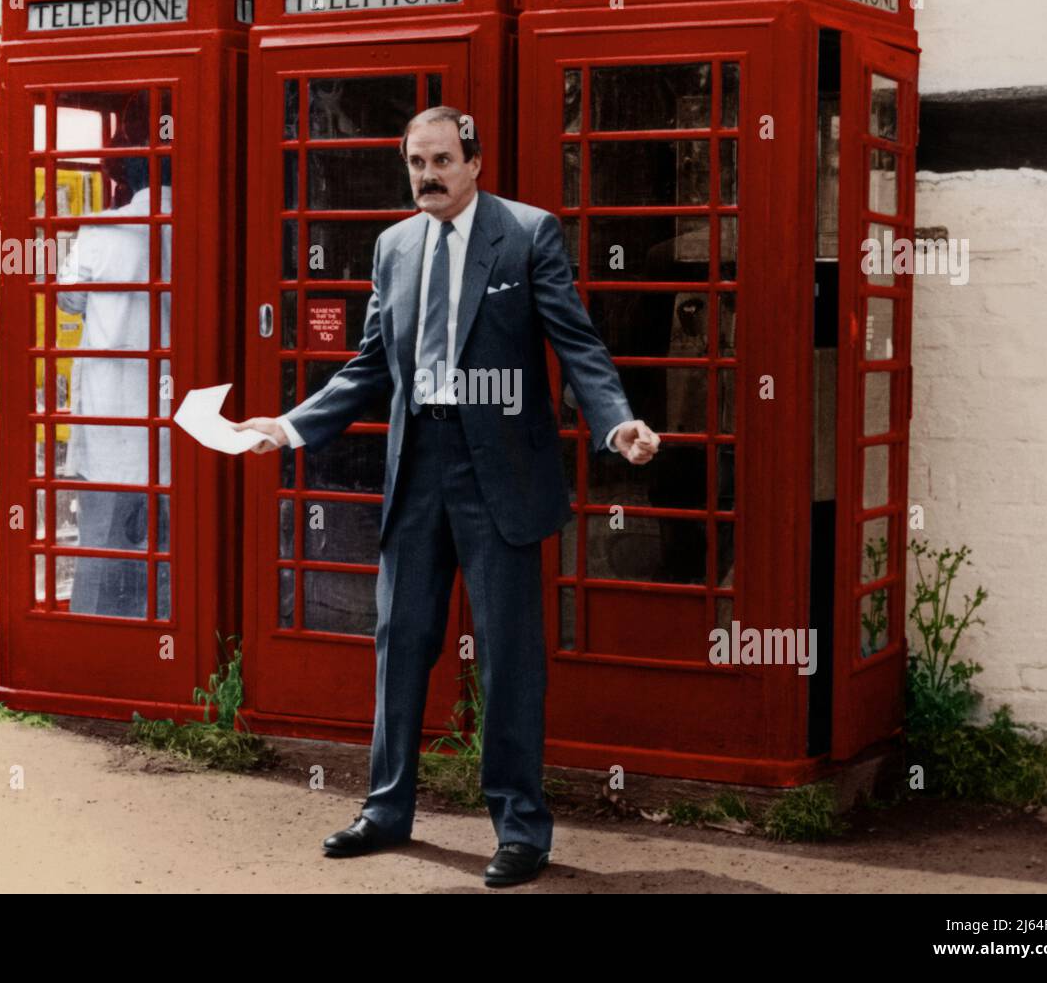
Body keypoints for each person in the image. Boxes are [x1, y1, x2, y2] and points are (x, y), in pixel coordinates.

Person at [236, 107, 660, 887]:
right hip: (417, 463)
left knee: (507, 656)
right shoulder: (395, 246)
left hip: (498, 471)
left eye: (440, 159)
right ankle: (387, 806)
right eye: (415, 162)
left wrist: (616, 422)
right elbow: (368, 366)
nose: (426, 174)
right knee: (399, 640)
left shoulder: (526, 234)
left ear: (474, 162)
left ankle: (521, 827)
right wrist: (291, 426)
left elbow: (577, 342)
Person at [56, 147, 171, 619]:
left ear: (127, 177)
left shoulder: (102, 229)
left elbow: (69, 300)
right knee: (174, 552)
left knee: (102, 550)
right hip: (180, 421)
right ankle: (167, 634)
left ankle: (96, 642)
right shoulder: (205, 224)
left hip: (110, 417)